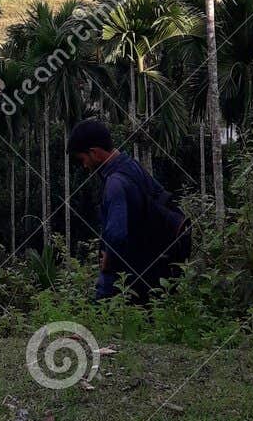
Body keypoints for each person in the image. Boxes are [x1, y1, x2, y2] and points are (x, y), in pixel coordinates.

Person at [67, 118, 190, 302]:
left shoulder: (115, 183)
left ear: (94, 153)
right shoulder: (131, 166)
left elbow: (116, 236)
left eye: (83, 159)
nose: (85, 166)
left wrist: (106, 263)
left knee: (105, 310)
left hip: (134, 274)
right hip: (155, 266)